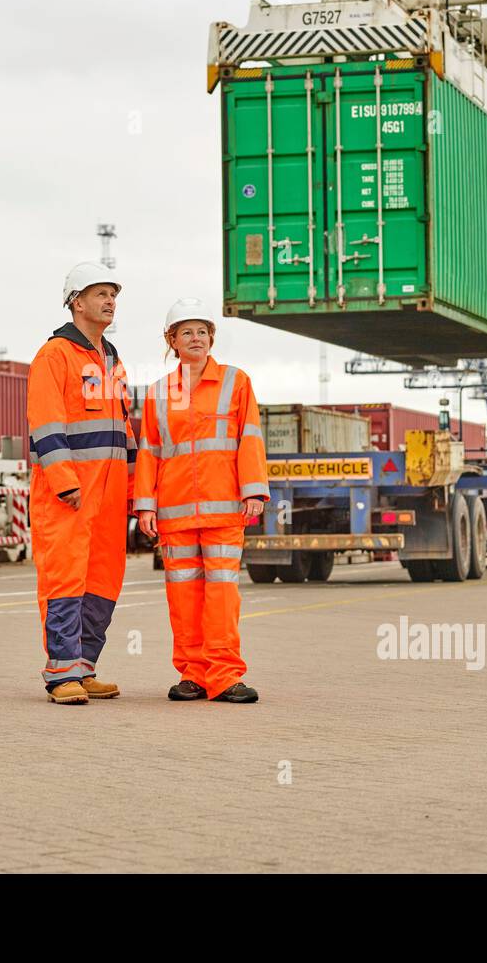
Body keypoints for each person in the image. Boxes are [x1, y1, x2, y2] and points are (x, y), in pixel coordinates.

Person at [133, 299, 269, 704]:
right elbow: (149, 451)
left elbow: (250, 438)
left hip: (225, 509)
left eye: (202, 332)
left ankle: (225, 675)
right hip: (175, 514)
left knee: (222, 593)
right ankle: (192, 675)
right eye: (187, 332)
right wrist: (145, 504)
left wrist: (254, 491)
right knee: (183, 594)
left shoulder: (235, 382)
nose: (196, 338)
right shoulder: (160, 393)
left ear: (212, 338)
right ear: (172, 340)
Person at [26, 263, 136, 705]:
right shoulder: (55, 355)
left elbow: (124, 429)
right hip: (69, 492)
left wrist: (131, 489)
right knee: (65, 578)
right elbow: (46, 423)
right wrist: (64, 481)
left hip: (109, 495)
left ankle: (84, 666)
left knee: (103, 578)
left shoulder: (111, 357)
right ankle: (61, 673)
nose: (110, 301)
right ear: (77, 301)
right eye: (100, 294)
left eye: (113, 294)